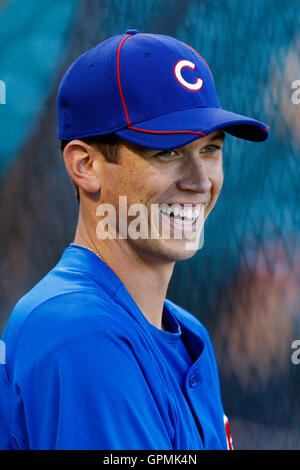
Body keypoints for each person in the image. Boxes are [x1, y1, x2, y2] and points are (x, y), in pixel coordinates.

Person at [0, 30, 268, 450]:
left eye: (211, 149)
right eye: (169, 152)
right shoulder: (76, 332)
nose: (200, 182)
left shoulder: (186, 331)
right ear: (86, 165)